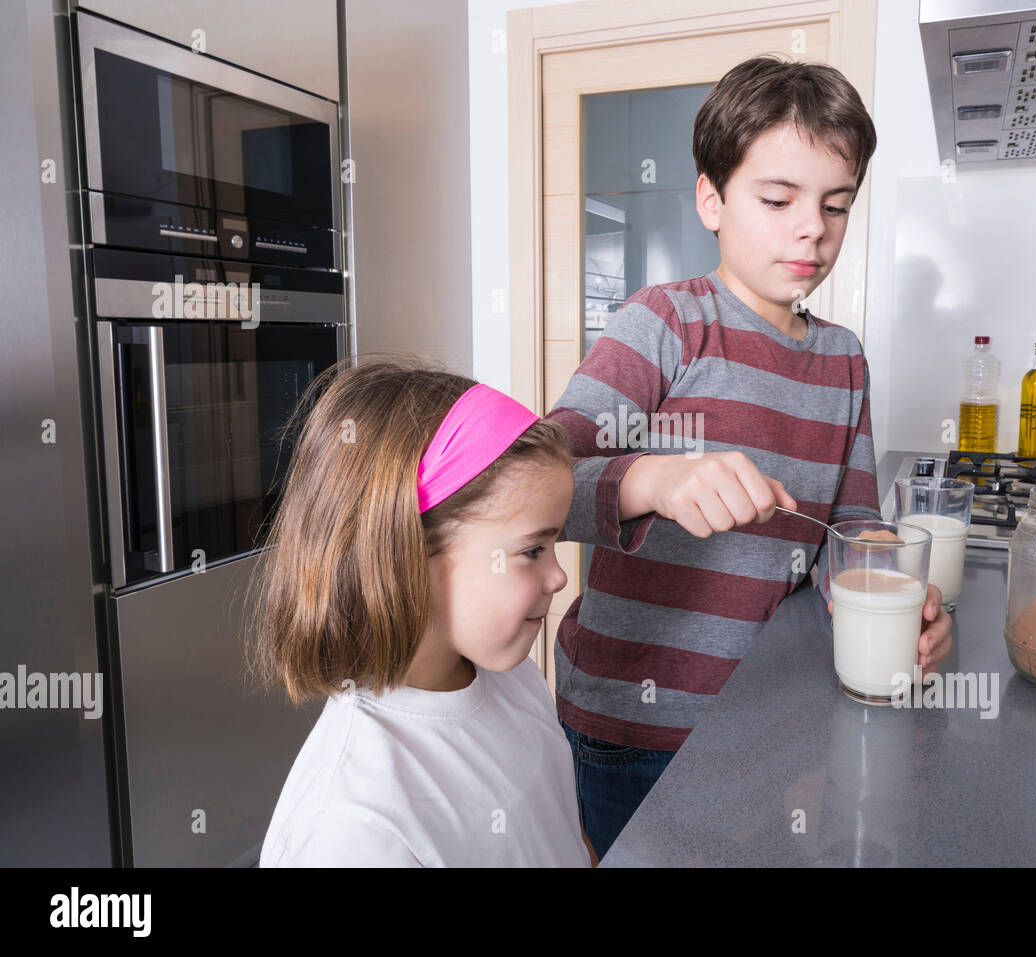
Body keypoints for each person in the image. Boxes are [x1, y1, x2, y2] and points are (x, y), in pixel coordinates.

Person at [546, 55, 953, 858]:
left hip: (768, 711)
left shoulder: (843, 359)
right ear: (711, 198)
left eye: (836, 206)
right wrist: (652, 477)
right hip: (635, 719)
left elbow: (855, 520)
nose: (813, 227)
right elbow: (536, 485)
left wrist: (891, 597)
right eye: (778, 199)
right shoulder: (665, 322)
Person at [252, 357, 595, 866]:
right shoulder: (353, 829)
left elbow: (563, 836)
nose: (559, 577)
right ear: (408, 553)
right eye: (532, 551)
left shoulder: (513, 678)